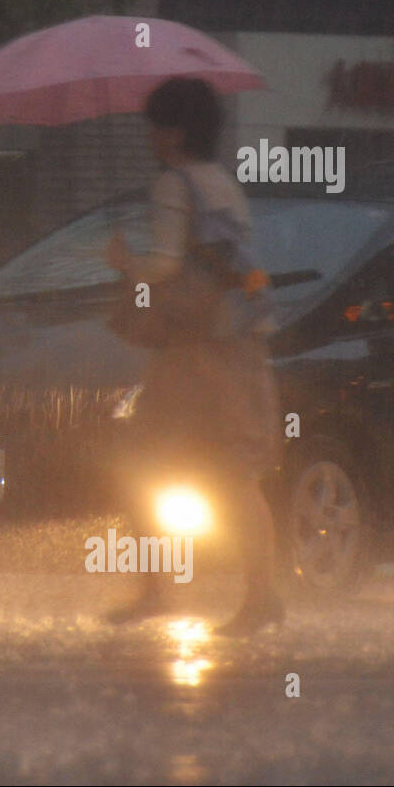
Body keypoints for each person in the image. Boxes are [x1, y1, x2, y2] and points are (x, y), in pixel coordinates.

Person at [103, 77, 284, 636]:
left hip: (190, 353)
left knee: (140, 467)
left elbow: (163, 263)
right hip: (239, 345)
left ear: (176, 131)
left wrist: (123, 261)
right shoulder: (222, 184)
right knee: (236, 476)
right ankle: (262, 596)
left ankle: (156, 589)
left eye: (156, 126)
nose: (151, 137)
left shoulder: (173, 184)